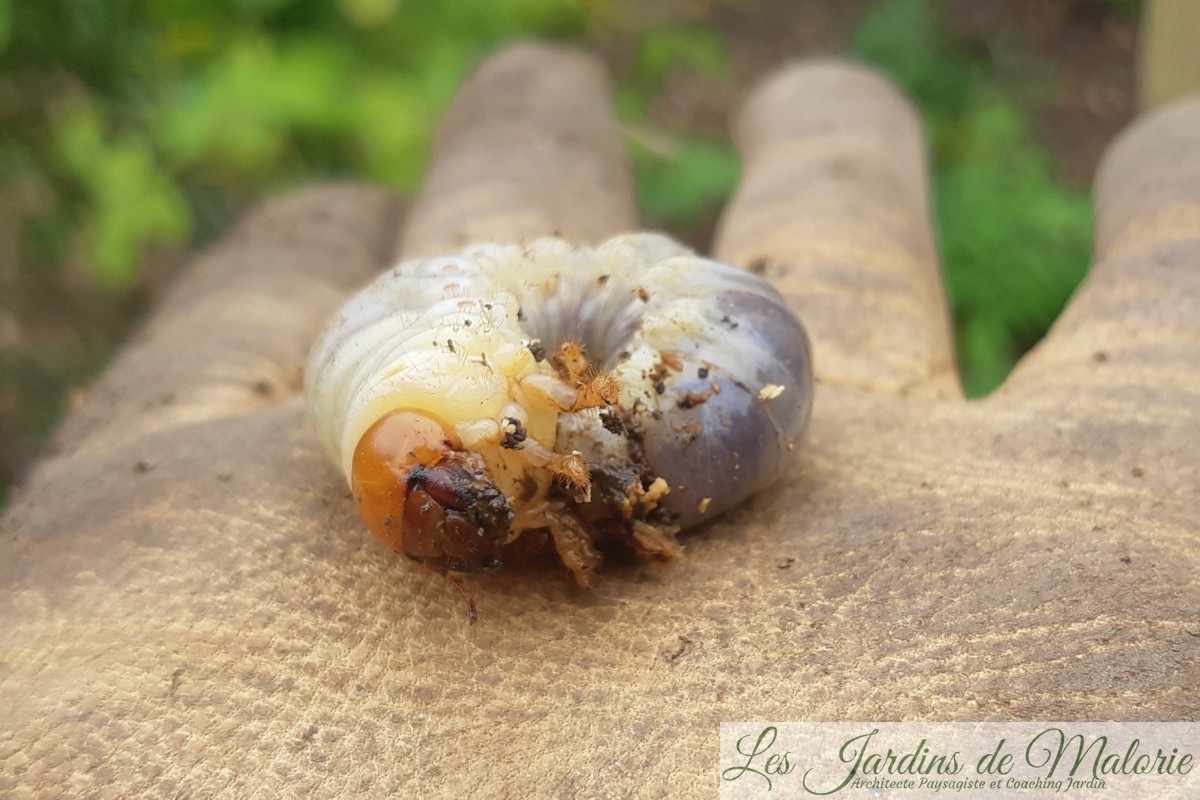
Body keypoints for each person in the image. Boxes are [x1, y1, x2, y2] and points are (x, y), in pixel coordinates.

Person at [1, 43, 1196, 796]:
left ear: (446, 392)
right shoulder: (466, 386)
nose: (480, 494)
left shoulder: (504, 373)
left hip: (702, 326)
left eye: (453, 469)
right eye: (475, 484)